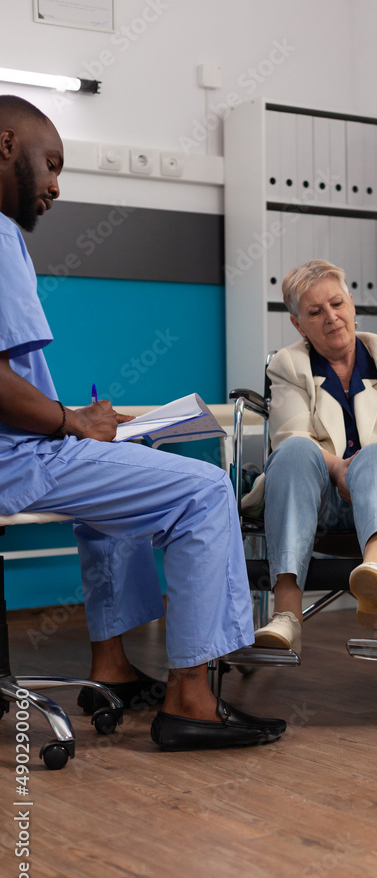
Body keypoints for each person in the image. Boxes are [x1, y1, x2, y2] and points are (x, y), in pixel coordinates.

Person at [0, 94, 285, 751]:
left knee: (122, 490)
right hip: (16, 460)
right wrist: (72, 423)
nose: (55, 186)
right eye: (51, 164)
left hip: (21, 450)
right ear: (7, 147)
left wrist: (86, 421)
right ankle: (191, 701)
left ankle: (115, 670)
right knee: (204, 491)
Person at [253, 260, 377, 655]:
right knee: (295, 449)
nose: (331, 317)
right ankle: (286, 615)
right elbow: (290, 435)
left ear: (352, 303)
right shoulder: (288, 365)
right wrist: (338, 468)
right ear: (298, 324)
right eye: (315, 312)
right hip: (318, 502)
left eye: (337, 304)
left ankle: (376, 573)